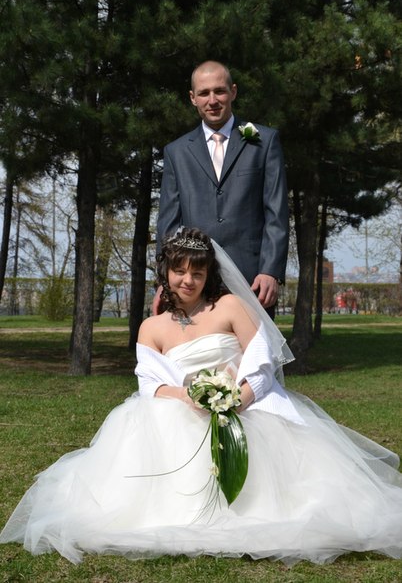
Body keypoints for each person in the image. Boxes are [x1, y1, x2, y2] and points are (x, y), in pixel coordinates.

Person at [1, 227, 402, 566]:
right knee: (156, 426)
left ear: (209, 273)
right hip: (183, 407)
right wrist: (191, 396)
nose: (187, 280)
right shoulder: (152, 327)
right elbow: (151, 385)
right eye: (179, 271)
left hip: (246, 405)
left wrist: (239, 398)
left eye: (197, 272)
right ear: (166, 272)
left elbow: (262, 365)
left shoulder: (229, 306)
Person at [156, 60, 289, 315]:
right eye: (204, 93)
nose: (212, 100)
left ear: (233, 92)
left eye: (219, 91)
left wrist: (270, 271)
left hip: (253, 283)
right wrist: (165, 280)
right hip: (193, 284)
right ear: (193, 98)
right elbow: (168, 224)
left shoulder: (263, 141)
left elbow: (276, 213)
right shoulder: (176, 151)